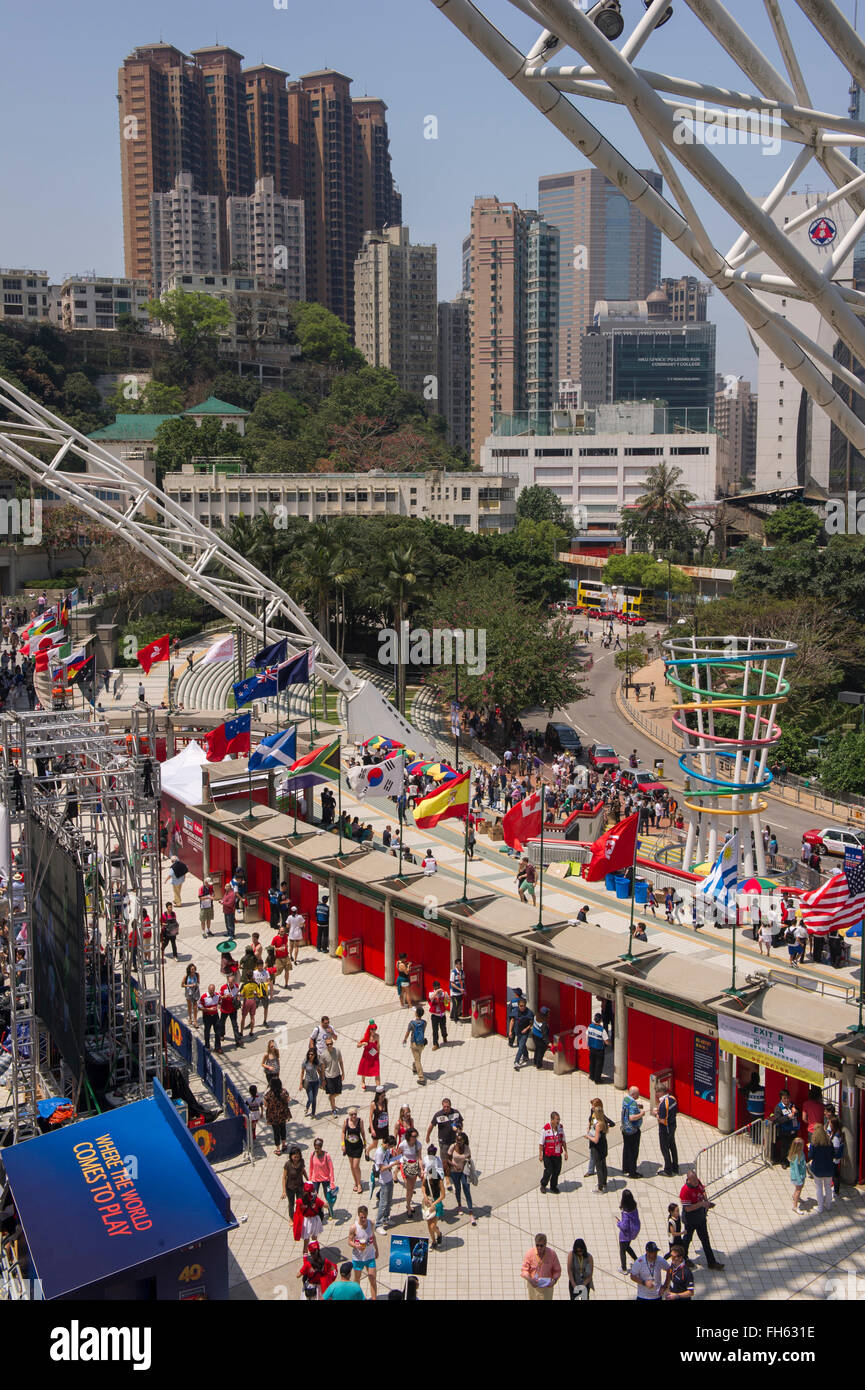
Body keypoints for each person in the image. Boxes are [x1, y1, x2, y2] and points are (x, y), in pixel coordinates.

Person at [680, 1171, 724, 1269]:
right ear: (689, 1180)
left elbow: (702, 1190)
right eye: (694, 1180)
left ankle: (711, 1262)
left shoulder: (697, 1183)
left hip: (700, 1218)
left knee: (705, 1240)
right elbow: (687, 1208)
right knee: (687, 1239)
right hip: (690, 1220)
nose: (696, 1182)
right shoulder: (685, 1191)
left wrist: (706, 1201)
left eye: (696, 1179)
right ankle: (683, 1259)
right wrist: (701, 1204)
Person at [426, 1098, 464, 1189]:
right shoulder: (438, 1115)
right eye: (444, 1107)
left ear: (450, 1106)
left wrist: (459, 1130)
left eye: (448, 1106)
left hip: (454, 1141)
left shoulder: (456, 1113)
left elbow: (461, 1124)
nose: (446, 1108)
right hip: (444, 1142)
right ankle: (447, 1179)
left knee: (455, 1157)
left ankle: (455, 1172)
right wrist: (428, 1136)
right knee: (445, 1160)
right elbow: (431, 1125)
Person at [521, 1233, 561, 1301]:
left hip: (547, 1286)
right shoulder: (530, 1253)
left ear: (545, 1244)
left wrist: (554, 1281)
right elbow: (524, 1270)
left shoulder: (552, 1254)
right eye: (537, 1245)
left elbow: (557, 1270)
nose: (539, 1248)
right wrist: (530, 1280)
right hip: (533, 1285)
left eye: (541, 1246)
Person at [348, 1206, 378, 1297]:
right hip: (358, 1258)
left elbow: (373, 1236)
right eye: (362, 1217)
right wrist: (356, 1246)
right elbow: (349, 1241)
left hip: (370, 1256)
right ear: (358, 1215)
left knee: (372, 1279)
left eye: (365, 1217)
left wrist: (377, 1249)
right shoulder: (354, 1228)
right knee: (357, 1279)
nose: (364, 1219)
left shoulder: (371, 1223)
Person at [448, 1132, 477, 1224]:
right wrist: (454, 1165)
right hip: (454, 1172)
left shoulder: (467, 1148)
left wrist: (465, 1162)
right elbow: (447, 1158)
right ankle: (459, 1205)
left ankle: (471, 1212)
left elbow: (469, 1157)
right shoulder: (452, 1147)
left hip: (464, 1172)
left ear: (464, 1141)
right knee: (458, 1189)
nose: (458, 1142)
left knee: (467, 1190)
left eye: (460, 1141)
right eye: (457, 1140)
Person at [371, 1133, 397, 1229]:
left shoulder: (386, 1150)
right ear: (385, 1143)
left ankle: (386, 1218)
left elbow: (388, 1159)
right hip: (384, 1180)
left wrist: (394, 1157)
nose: (390, 1148)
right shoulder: (379, 1152)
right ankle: (378, 1224)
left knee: (389, 1201)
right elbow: (381, 1168)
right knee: (383, 1203)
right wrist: (394, 1164)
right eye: (390, 1146)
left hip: (389, 1178)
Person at [308, 1137, 338, 1221]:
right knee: (313, 1196)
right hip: (315, 1179)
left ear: (321, 1147)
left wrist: (332, 1182)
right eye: (315, 1148)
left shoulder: (326, 1156)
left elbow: (331, 1169)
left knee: (328, 1197)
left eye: (318, 1148)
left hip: (325, 1179)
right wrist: (310, 1180)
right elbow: (311, 1168)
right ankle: (318, 1212)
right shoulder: (312, 1154)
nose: (317, 1150)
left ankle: (330, 1211)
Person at [653, 1082, 679, 1177]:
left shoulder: (663, 1104)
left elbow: (663, 1121)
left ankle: (668, 1170)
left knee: (664, 1148)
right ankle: (675, 1166)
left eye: (656, 1092)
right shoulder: (673, 1099)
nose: (655, 1094)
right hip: (673, 1126)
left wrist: (656, 1114)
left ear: (660, 1092)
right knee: (672, 1146)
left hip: (665, 1129)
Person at [421, 1146, 445, 1247]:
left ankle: (439, 1233)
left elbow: (443, 1195)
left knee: (433, 1225)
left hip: (435, 1201)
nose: (429, 1180)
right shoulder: (426, 1177)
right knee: (428, 1224)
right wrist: (425, 1196)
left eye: (431, 1178)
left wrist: (434, 1204)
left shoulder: (438, 1181)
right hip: (427, 1201)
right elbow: (422, 1186)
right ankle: (433, 1241)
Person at [808, 1124, 835, 1213]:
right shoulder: (829, 1142)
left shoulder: (814, 1144)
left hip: (818, 1169)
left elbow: (810, 1156)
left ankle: (820, 1208)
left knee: (819, 1188)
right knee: (828, 1187)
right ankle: (829, 1205)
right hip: (828, 1168)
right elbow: (833, 1154)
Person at [539, 1111, 567, 1195]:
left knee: (556, 1171)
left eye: (559, 1119)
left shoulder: (560, 1128)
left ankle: (553, 1186)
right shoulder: (545, 1129)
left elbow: (563, 1141)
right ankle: (543, 1184)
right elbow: (541, 1143)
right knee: (549, 1170)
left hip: (557, 1154)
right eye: (557, 1119)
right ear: (552, 1120)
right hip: (548, 1154)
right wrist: (540, 1154)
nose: (558, 1121)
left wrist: (566, 1151)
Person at [294, 1183, 325, 1255]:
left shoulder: (299, 1201)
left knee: (306, 1241)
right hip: (315, 1220)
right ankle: (316, 1256)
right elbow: (325, 1205)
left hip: (305, 1221)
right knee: (314, 1239)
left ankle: (305, 1260)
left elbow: (297, 1211)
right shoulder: (316, 1199)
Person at [342, 1107, 367, 1194]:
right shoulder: (346, 1121)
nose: (354, 1116)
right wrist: (343, 1144)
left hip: (357, 1146)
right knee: (352, 1166)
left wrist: (365, 1142)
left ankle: (359, 1183)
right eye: (352, 1115)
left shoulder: (360, 1121)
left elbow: (363, 1132)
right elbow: (343, 1132)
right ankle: (355, 1182)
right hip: (349, 1145)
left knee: (356, 1165)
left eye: (355, 1114)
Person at [621, 1086, 645, 1178]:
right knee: (633, 1152)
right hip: (632, 1131)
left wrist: (637, 1106)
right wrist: (641, 1114)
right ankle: (632, 1172)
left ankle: (625, 1168)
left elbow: (629, 1107)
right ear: (633, 1094)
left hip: (624, 1129)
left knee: (626, 1149)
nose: (639, 1095)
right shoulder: (633, 1104)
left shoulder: (626, 1099)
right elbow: (631, 1117)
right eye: (638, 1093)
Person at [586, 1102, 609, 1193]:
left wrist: (588, 1136)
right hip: (604, 1146)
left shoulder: (598, 1125)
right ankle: (604, 1183)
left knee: (599, 1167)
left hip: (597, 1148)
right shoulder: (604, 1122)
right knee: (603, 1165)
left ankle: (600, 1188)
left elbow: (595, 1140)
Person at [617, 1190, 641, 1271]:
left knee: (622, 1250)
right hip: (634, 1230)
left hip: (626, 1234)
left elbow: (624, 1227)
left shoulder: (625, 1212)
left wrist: (618, 1223)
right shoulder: (634, 1206)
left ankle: (623, 1268)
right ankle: (636, 1260)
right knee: (627, 1246)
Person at [403, 1005, 428, 1085]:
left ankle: (421, 1078)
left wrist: (405, 1039)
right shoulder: (424, 1023)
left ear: (416, 1014)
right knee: (417, 1056)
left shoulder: (412, 1023)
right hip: (422, 1043)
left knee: (418, 1060)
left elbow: (408, 1032)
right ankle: (414, 1067)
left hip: (414, 1043)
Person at [266, 1081, 292, 1156]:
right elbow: (288, 1100)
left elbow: (265, 1104)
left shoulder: (269, 1094)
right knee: (283, 1129)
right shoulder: (284, 1092)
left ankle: (278, 1149)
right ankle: (284, 1145)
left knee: (276, 1132)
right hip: (282, 1114)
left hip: (273, 1116)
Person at [773, 1090, 798, 1165]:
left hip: (793, 1130)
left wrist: (796, 1112)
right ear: (781, 1099)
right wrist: (787, 1117)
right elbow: (778, 1120)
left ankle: (792, 1161)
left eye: (787, 1098)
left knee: (793, 1147)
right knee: (784, 1147)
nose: (786, 1100)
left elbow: (797, 1114)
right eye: (784, 1098)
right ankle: (783, 1161)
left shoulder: (792, 1105)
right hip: (784, 1132)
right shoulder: (778, 1107)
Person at [321, 1037, 345, 1114]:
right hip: (329, 1077)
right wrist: (323, 1079)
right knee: (332, 1093)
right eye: (328, 1044)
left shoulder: (337, 1051)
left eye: (331, 1044)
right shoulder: (323, 1055)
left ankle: (331, 1098)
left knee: (338, 1092)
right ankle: (333, 1109)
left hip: (337, 1075)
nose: (329, 1045)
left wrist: (343, 1073)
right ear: (326, 1045)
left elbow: (340, 1062)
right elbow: (322, 1068)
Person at [282, 1147, 308, 1217]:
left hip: (300, 1186)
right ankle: (291, 1218)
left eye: (298, 1157)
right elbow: (284, 1178)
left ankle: (299, 1216)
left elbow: (303, 1171)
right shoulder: (287, 1164)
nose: (296, 1159)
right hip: (290, 1188)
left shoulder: (301, 1161)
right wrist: (284, 1191)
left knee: (300, 1202)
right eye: (295, 1157)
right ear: (291, 1156)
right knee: (291, 1204)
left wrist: (308, 1179)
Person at [219, 977, 243, 1048]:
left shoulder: (236, 986)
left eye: (231, 982)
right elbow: (220, 997)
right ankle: (221, 1035)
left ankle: (237, 1040)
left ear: (234, 982)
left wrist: (238, 997)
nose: (230, 983)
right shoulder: (223, 987)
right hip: (224, 1009)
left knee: (235, 1024)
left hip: (233, 1009)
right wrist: (225, 996)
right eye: (229, 982)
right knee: (222, 1023)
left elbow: (237, 994)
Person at [300, 1045, 324, 1119]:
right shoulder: (305, 1062)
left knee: (314, 1098)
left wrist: (322, 1079)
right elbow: (302, 1073)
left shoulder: (316, 1062)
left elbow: (320, 1070)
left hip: (315, 1082)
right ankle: (307, 1107)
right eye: (309, 1054)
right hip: (308, 1082)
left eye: (312, 1054)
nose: (310, 1056)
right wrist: (301, 1083)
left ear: (314, 1055)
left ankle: (313, 1113)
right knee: (310, 1098)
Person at [357, 1021, 381, 1090]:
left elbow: (378, 1045)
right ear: (369, 1029)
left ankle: (378, 1085)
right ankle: (363, 1081)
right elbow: (358, 1045)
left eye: (375, 1029)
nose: (373, 1030)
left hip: (374, 1056)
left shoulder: (377, 1036)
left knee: (377, 1071)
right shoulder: (366, 1037)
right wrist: (362, 1044)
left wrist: (378, 1054)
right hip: (367, 1056)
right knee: (364, 1069)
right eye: (372, 1029)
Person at [512, 997, 535, 1070]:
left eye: (524, 1005)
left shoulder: (529, 1013)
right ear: (518, 1005)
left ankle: (516, 1061)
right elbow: (512, 1020)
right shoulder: (515, 1011)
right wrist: (510, 1031)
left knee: (521, 1046)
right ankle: (526, 1056)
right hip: (517, 1031)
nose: (522, 1007)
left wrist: (526, 1029)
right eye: (521, 1006)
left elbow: (532, 1023)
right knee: (521, 1044)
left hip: (524, 1033)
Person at [200, 983, 223, 1054]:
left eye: (213, 990)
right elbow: (200, 1007)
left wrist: (219, 1005)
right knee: (207, 1031)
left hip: (215, 1016)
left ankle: (218, 1047)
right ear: (208, 990)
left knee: (218, 1031)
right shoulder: (204, 997)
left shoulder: (217, 995)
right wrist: (209, 1009)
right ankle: (207, 1046)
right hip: (207, 1016)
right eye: (210, 990)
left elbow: (220, 1002)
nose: (212, 992)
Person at [586, 1013, 609, 1085]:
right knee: (599, 1064)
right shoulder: (602, 1030)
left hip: (591, 1048)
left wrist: (587, 1045)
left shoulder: (590, 1027)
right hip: (599, 1049)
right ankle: (597, 1080)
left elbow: (587, 1036)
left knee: (592, 1062)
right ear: (601, 1020)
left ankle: (592, 1076)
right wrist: (610, 1044)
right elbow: (606, 1041)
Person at [788, 1136, 807, 1214]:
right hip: (797, 1176)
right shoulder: (796, 1156)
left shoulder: (800, 1153)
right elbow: (796, 1169)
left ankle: (795, 1196)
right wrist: (799, 1179)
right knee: (798, 1190)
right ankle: (795, 1206)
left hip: (802, 1174)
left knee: (799, 1188)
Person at [428, 980, 449, 1049]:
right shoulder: (431, 993)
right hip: (435, 1015)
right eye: (436, 988)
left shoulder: (444, 993)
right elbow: (431, 998)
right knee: (435, 1030)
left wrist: (446, 997)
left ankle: (444, 1036)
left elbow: (447, 1002)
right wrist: (436, 992)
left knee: (443, 1027)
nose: (438, 989)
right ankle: (436, 1044)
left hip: (442, 1014)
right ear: (434, 988)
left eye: (438, 987)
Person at [827, 1116, 845, 1195]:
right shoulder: (837, 1133)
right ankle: (835, 1189)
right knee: (835, 1174)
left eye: (830, 1123)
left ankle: (836, 1190)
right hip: (835, 1158)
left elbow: (835, 1149)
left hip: (834, 1159)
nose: (829, 1124)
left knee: (835, 1174)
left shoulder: (836, 1137)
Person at [271, 924, 291, 989]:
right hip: (278, 958)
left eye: (283, 931)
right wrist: (278, 949)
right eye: (281, 931)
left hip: (286, 956)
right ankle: (273, 977)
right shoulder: (275, 938)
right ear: (279, 931)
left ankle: (286, 984)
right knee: (278, 972)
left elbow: (286, 944)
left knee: (287, 970)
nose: (282, 932)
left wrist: (286, 947)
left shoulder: (285, 937)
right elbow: (271, 947)